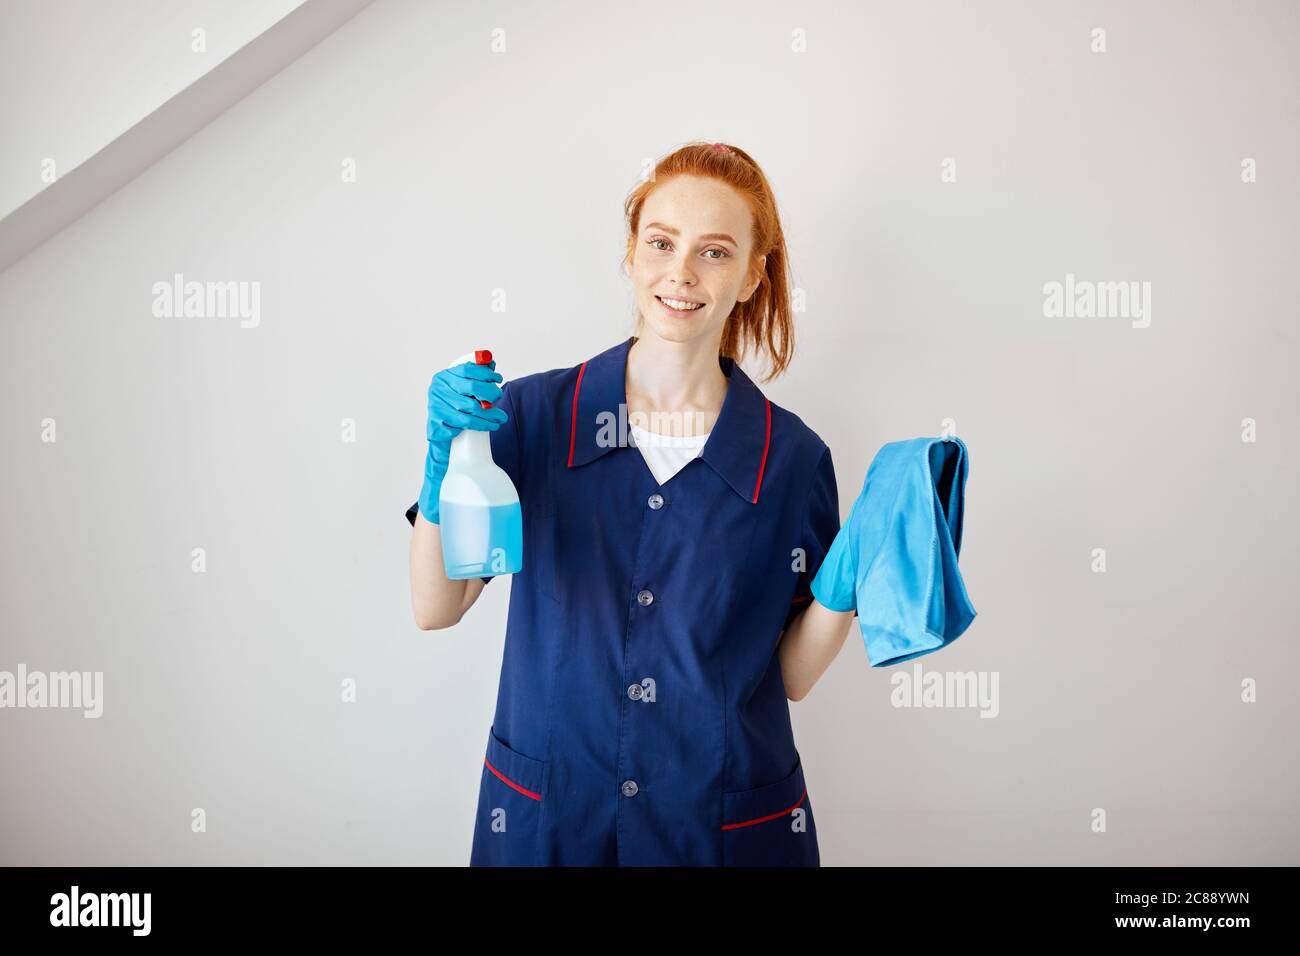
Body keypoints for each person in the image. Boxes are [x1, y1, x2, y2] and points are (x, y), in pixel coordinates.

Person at [407, 142, 857, 866]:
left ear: (751, 276)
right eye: (662, 242)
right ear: (631, 254)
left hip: (718, 832)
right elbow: (437, 606)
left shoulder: (793, 460)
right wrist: (440, 469)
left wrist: (849, 582)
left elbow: (794, 678)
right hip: (552, 822)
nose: (682, 271)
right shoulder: (530, 419)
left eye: (715, 252)